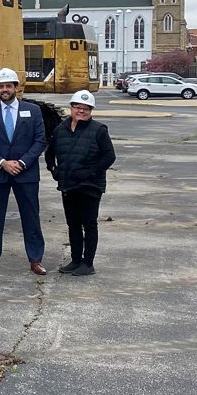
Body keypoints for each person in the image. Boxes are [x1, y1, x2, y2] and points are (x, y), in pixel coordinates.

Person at [0, 68, 49, 275]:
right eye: (1, 86)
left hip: (25, 173)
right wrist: (2, 162)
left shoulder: (33, 111)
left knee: (31, 216)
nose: (5, 89)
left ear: (16, 88)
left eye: (9, 86)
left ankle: (35, 259)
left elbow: (39, 141)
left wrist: (22, 163)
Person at [48, 89, 116, 276]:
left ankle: (88, 263)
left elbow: (109, 156)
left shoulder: (99, 130)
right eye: (78, 107)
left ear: (91, 110)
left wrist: (90, 172)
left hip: (90, 187)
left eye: (86, 108)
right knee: (73, 224)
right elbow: (50, 152)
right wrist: (53, 169)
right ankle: (75, 260)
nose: (81, 111)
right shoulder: (60, 129)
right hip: (68, 186)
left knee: (89, 224)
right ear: (71, 108)